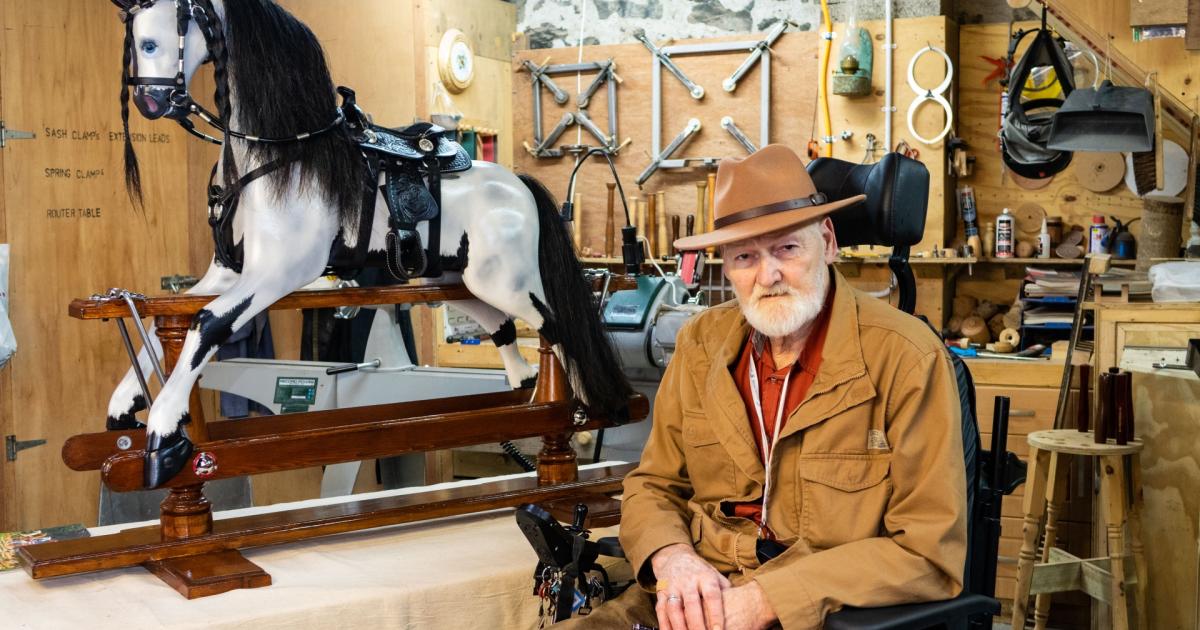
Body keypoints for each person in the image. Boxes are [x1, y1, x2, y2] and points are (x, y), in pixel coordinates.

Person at [564, 144, 966, 630]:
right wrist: (672, 558)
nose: (768, 275)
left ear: (828, 240)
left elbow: (926, 553)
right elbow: (654, 485)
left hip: (819, 610)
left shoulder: (906, 356)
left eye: (787, 249)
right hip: (698, 595)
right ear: (727, 267)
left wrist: (768, 599)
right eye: (745, 256)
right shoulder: (700, 344)